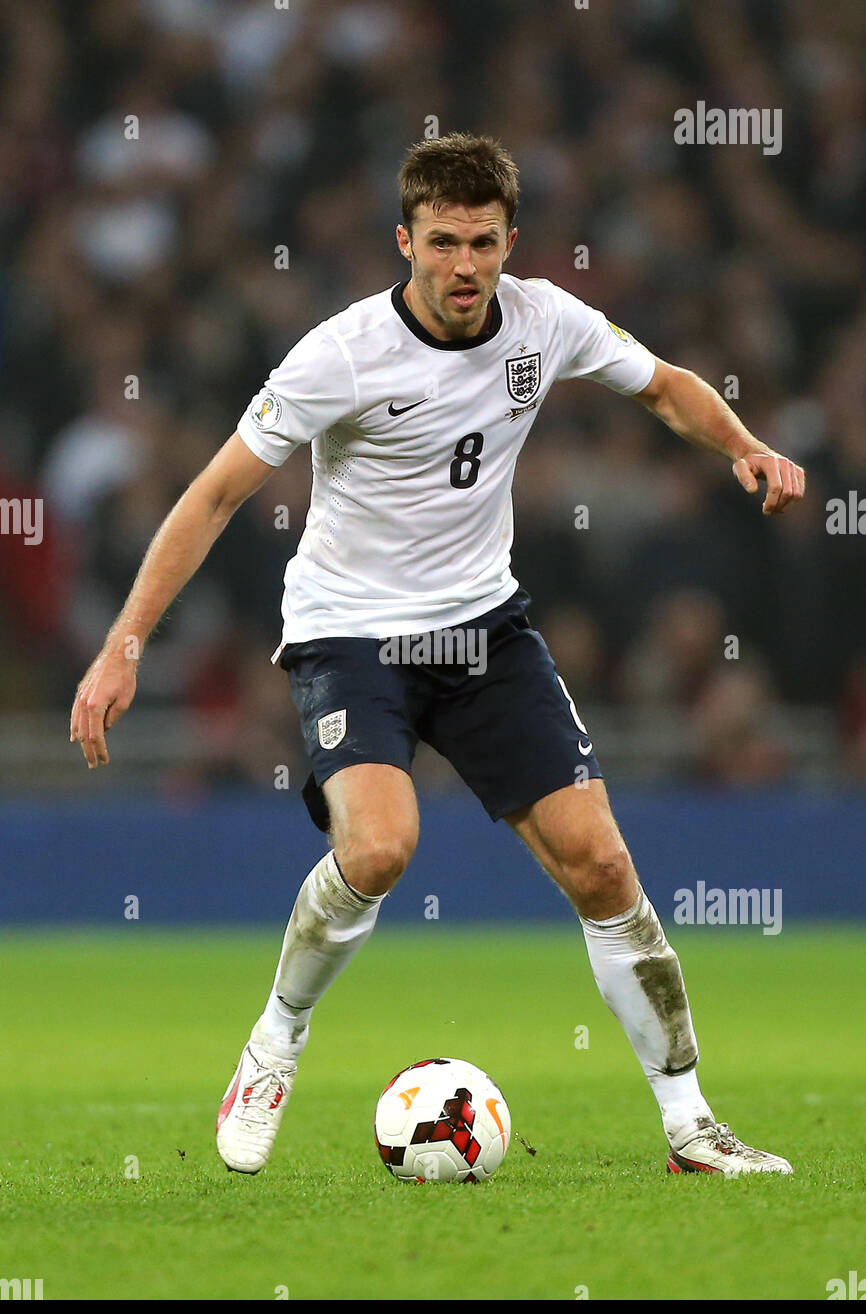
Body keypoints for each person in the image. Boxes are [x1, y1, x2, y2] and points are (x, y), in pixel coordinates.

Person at [70, 133, 805, 1178]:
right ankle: (275, 1039)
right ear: (404, 240)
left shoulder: (545, 319)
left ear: (511, 242)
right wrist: (123, 644)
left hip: (484, 629)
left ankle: (691, 1125)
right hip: (351, 632)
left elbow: (663, 385)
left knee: (600, 863)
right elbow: (216, 492)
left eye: (485, 243)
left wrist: (743, 445)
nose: (464, 266)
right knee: (376, 850)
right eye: (444, 242)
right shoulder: (341, 353)